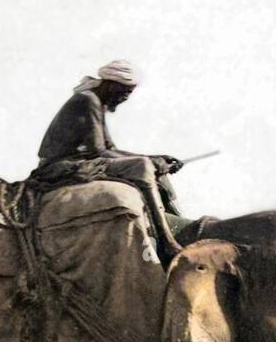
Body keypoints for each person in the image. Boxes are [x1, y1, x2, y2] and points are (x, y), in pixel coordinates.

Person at [37, 59, 184, 260]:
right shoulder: (87, 100)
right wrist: (146, 161)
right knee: (142, 166)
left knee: (152, 167)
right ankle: (166, 241)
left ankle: (176, 226)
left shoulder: (95, 102)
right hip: (61, 167)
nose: (125, 97)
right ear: (112, 85)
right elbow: (98, 151)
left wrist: (155, 159)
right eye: (125, 91)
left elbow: (110, 149)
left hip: (80, 161)